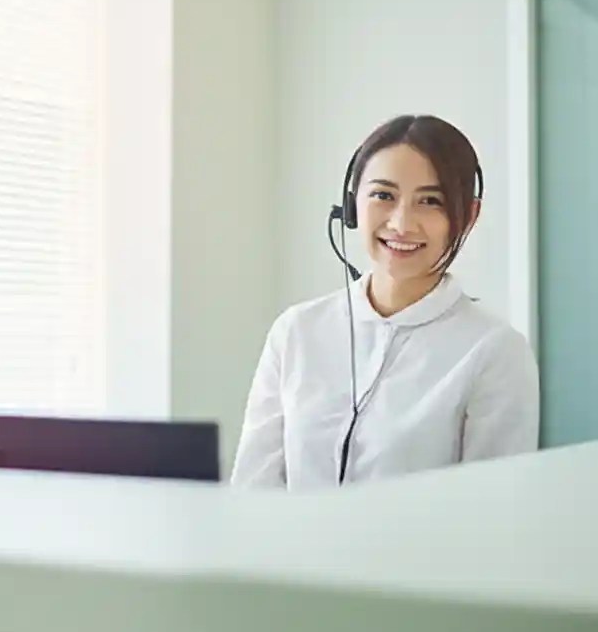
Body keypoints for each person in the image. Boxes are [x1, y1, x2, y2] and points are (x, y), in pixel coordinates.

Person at [231, 114, 539, 491]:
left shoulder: (494, 351)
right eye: (383, 196)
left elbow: (493, 512)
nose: (401, 223)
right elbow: (252, 490)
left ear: (468, 216)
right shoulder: (295, 332)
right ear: (352, 204)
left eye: (431, 201)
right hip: (288, 551)